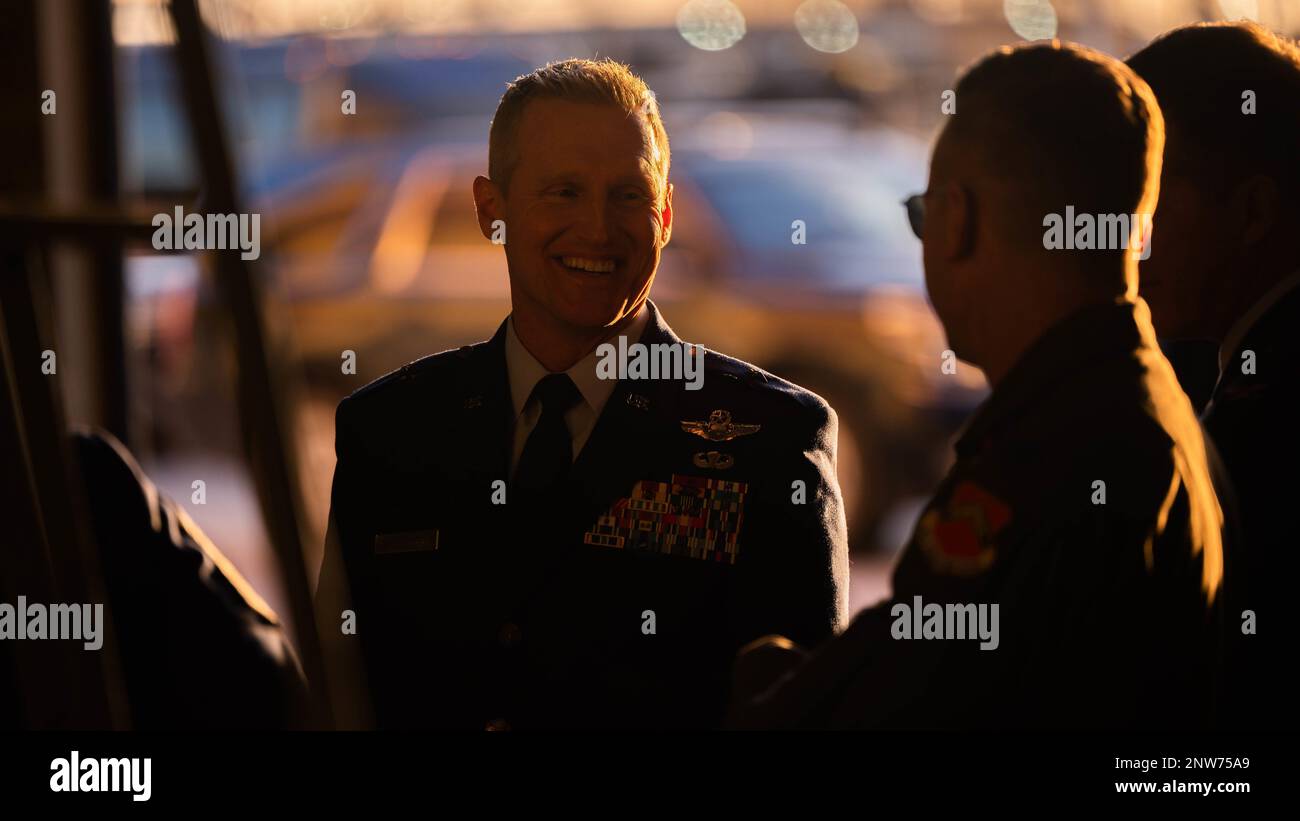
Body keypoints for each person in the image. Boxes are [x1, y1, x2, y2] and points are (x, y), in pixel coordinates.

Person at [315, 58, 849, 730]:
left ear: (666, 214)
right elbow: (338, 694)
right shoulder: (389, 431)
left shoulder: (767, 436)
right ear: (491, 210)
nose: (597, 228)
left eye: (628, 194)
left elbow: (813, 716)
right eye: (563, 192)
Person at [730, 41, 1226, 730]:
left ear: (956, 219)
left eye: (921, 215)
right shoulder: (1152, 410)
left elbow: (917, 695)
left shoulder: (1051, 451)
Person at [1127, 21, 1300, 730]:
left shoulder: (1270, 416)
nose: (1125, 238)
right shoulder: (1240, 362)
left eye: (1148, 202)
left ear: (1253, 210)